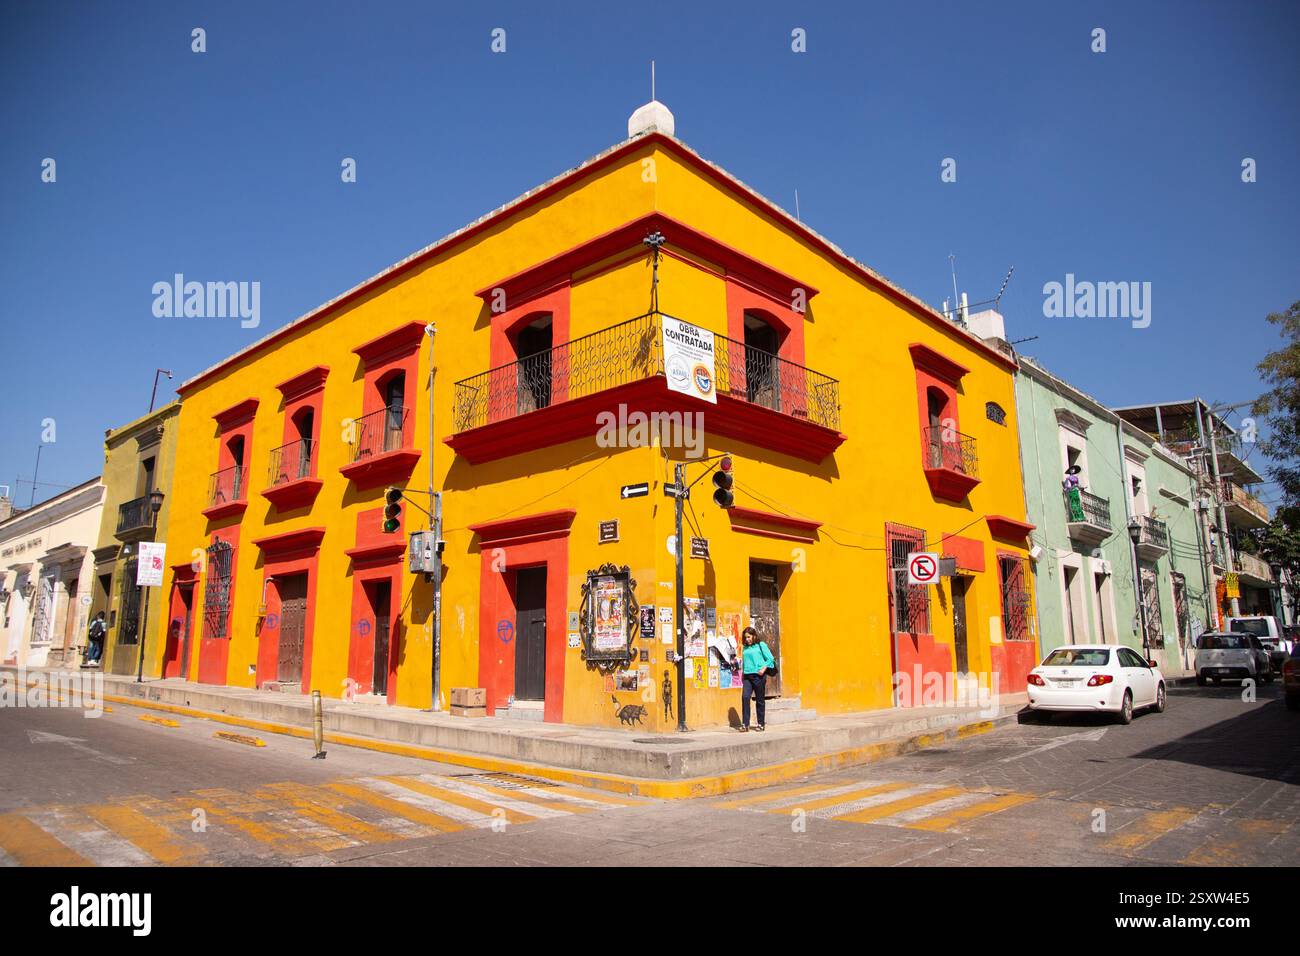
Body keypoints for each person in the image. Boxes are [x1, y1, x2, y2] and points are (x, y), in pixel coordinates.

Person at [739, 626, 775, 732]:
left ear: (754, 636)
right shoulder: (745, 647)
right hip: (747, 676)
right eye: (745, 638)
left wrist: (763, 669)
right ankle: (745, 724)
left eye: (749, 637)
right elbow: (745, 662)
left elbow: (770, 658)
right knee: (745, 697)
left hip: (758, 676)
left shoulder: (760, 645)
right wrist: (742, 674)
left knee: (759, 700)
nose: (747, 639)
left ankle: (761, 724)